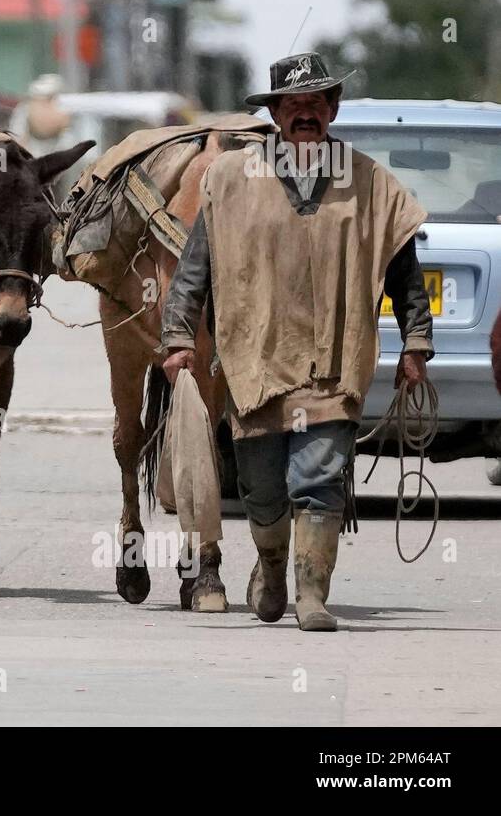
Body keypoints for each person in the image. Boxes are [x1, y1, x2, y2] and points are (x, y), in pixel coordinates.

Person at [160, 52, 433, 633]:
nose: (305, 114)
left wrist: (415, 340)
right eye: (293, 105)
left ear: (332, 111)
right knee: (262, 487)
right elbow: (194, 269)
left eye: (316, 104)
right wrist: (178, 336)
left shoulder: (371, 185)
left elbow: (404, 270)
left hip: (333, 363)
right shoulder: (231, 181)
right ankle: (271, 567)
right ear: (276, 114)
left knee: (319, 475)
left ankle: (313, 594)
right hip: (253, 360)